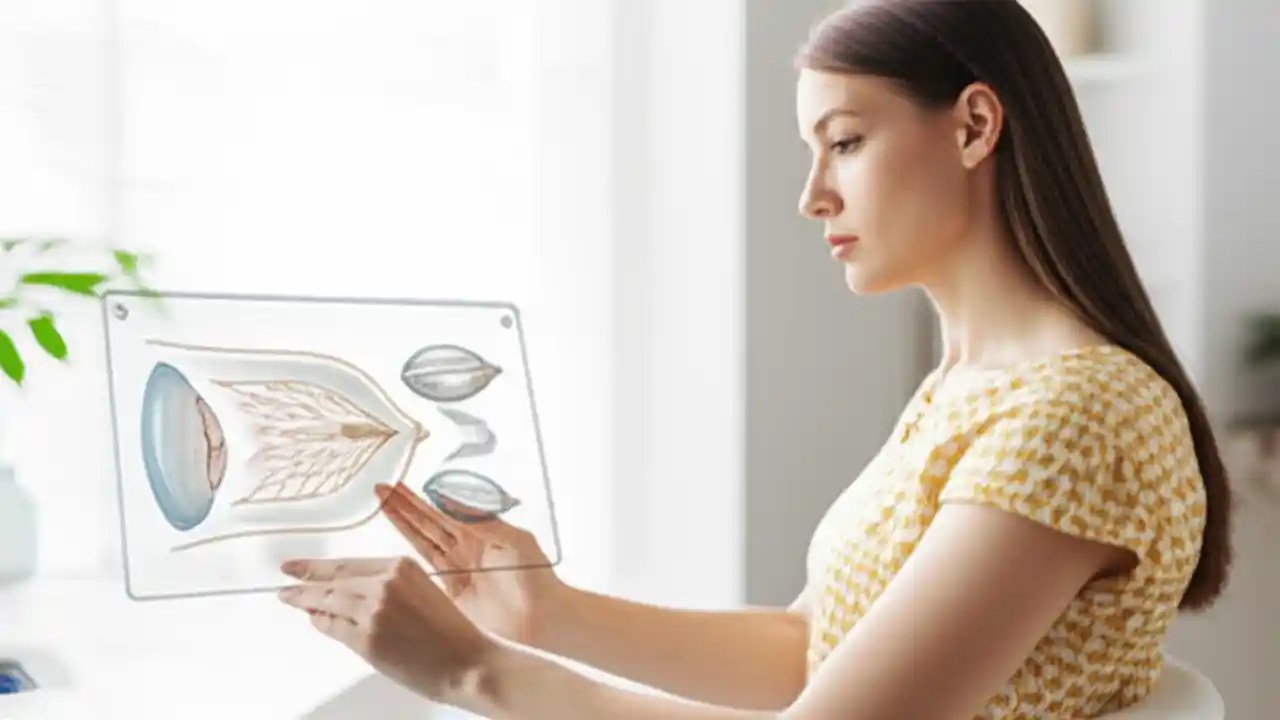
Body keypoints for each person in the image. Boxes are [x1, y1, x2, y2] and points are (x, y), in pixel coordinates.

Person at [275, 1, 1234, 717]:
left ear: (975, 126)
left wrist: (473, 671)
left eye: (846, 143)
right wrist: (546, 614)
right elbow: (808, 647)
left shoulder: (1081, 415)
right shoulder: (972, 391)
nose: (813, 196)